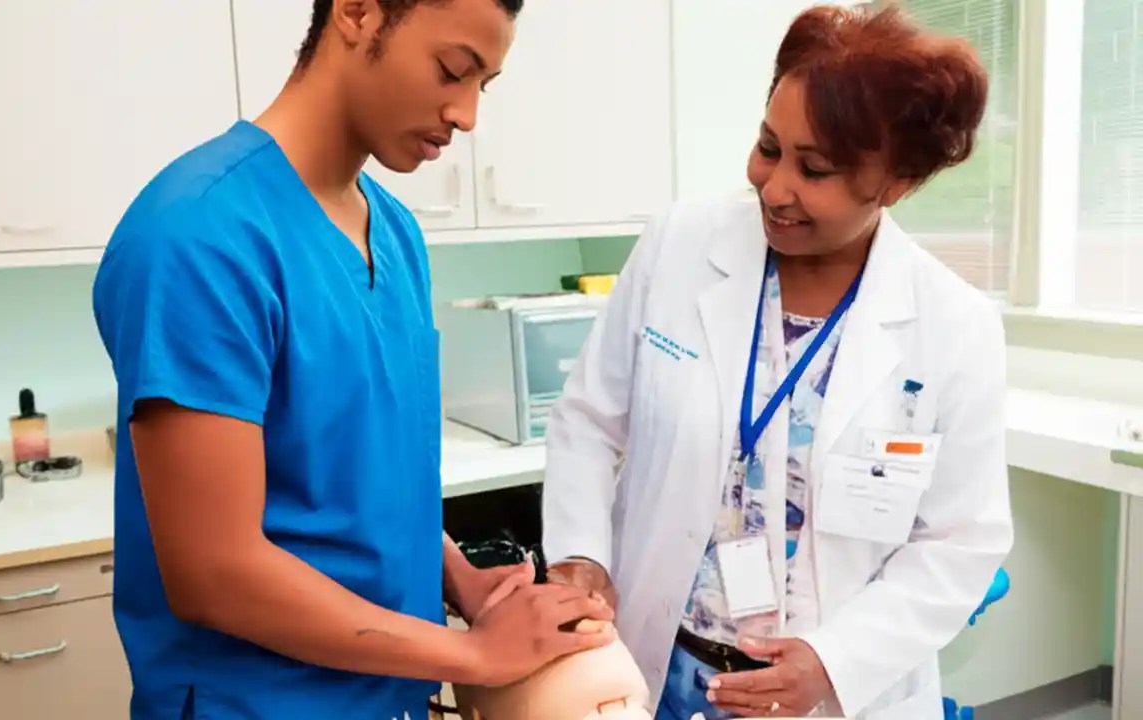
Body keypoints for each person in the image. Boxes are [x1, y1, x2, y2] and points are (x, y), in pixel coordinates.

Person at [91, 1, 613, 718]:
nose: (465, 115)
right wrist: (471, 653)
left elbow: (367, 482)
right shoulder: (198, 237)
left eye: (482, 85)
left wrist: (461, 579)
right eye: (451, 70)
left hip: (387, 697)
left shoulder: (394, 234)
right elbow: (215, 573)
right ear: (358, 12)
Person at [541, 5, 1014, 719]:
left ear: (897, 182)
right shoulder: (679, 246)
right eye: (769, 146)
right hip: (655, 666)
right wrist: (582, 554)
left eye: (815, 169)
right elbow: (588, 422)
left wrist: (835, 663)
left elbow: (961, 543)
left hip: (826, 698)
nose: (774, 186)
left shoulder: (955, 326)